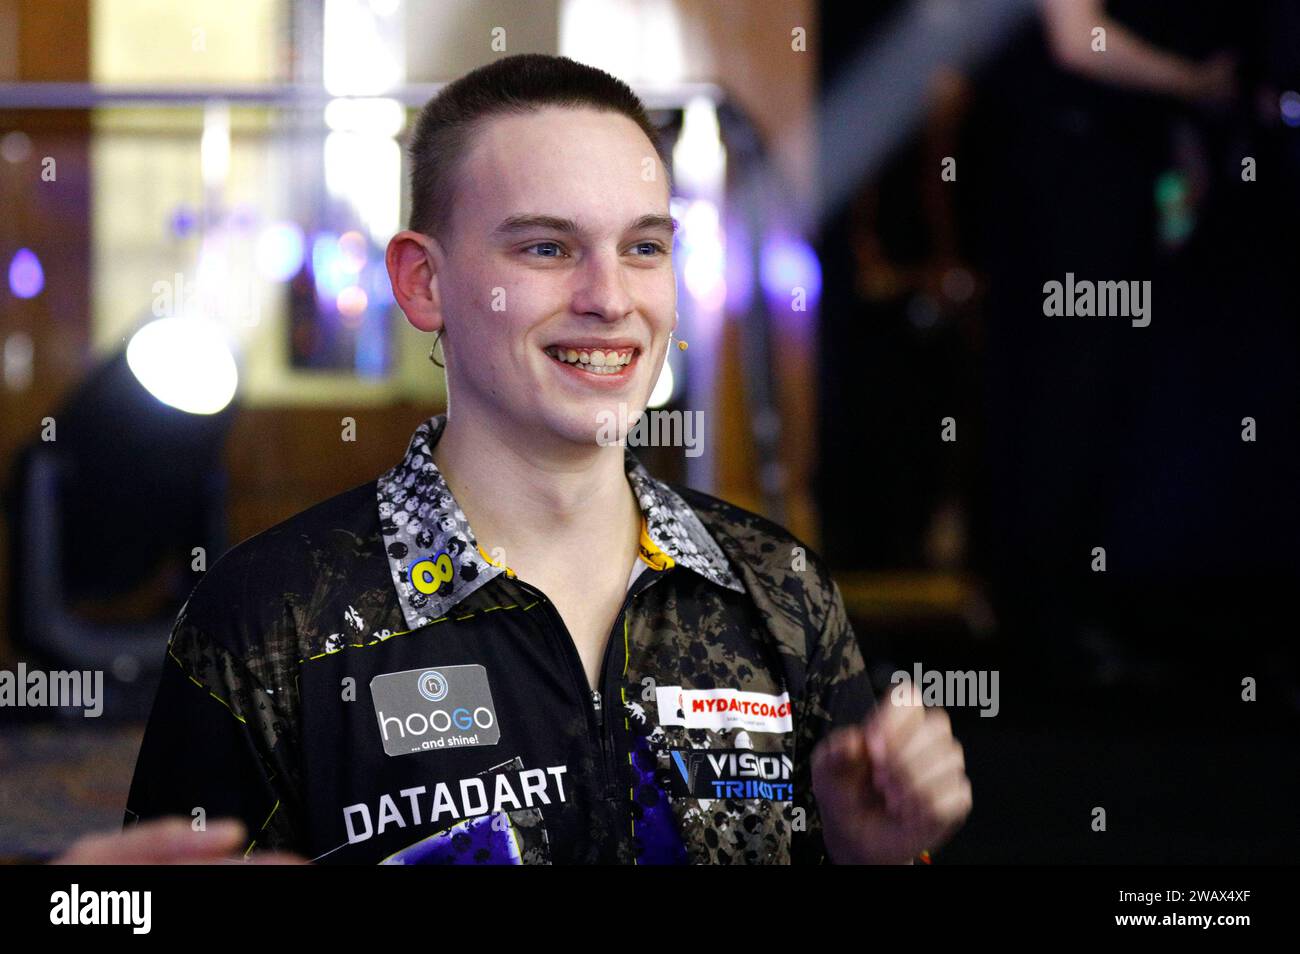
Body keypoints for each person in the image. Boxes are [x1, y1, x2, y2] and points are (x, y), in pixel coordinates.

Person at [124, 53, 971, 865]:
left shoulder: (778, 590)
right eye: (546, 248)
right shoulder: (274, 619)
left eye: (643, 247)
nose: (609, 299)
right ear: (422, 282)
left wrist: (874, 859)